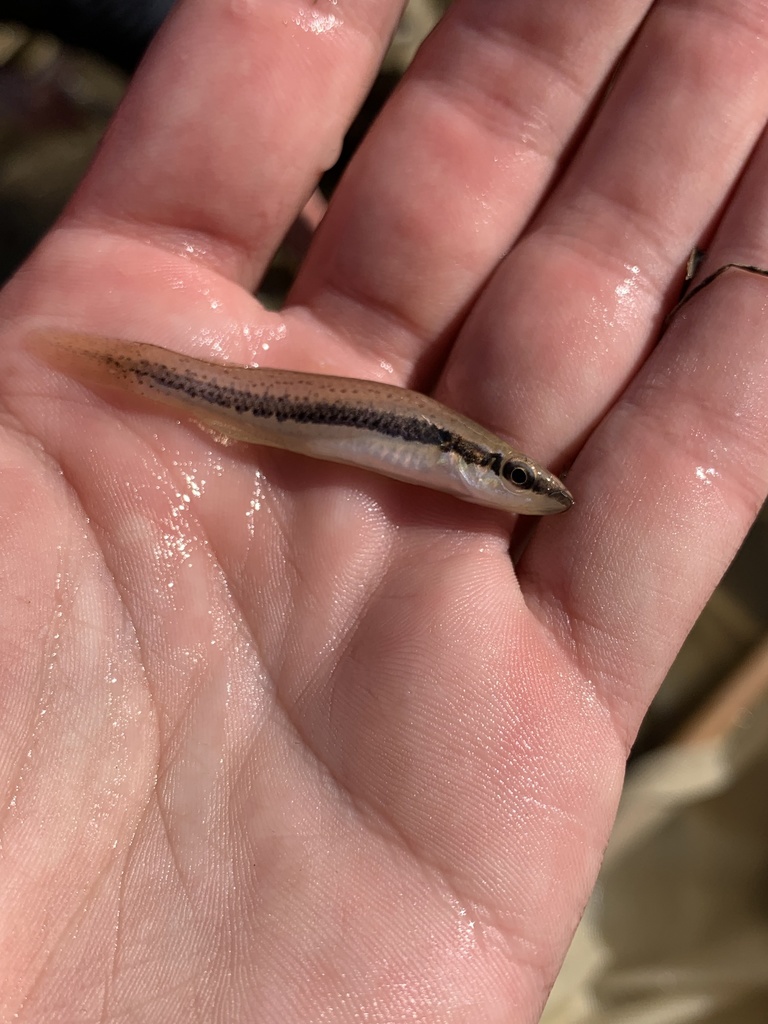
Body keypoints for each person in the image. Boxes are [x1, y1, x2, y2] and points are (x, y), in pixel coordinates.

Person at [2, 1, 767, 1019]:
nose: (525, 491)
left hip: (291, 408)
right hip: (265, 404)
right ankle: (77, 357)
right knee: (197, 394)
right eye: (513, 477)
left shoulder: (446, 455)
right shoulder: (447, 450)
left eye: (519, 482)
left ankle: (79, 354)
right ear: (471, 459)